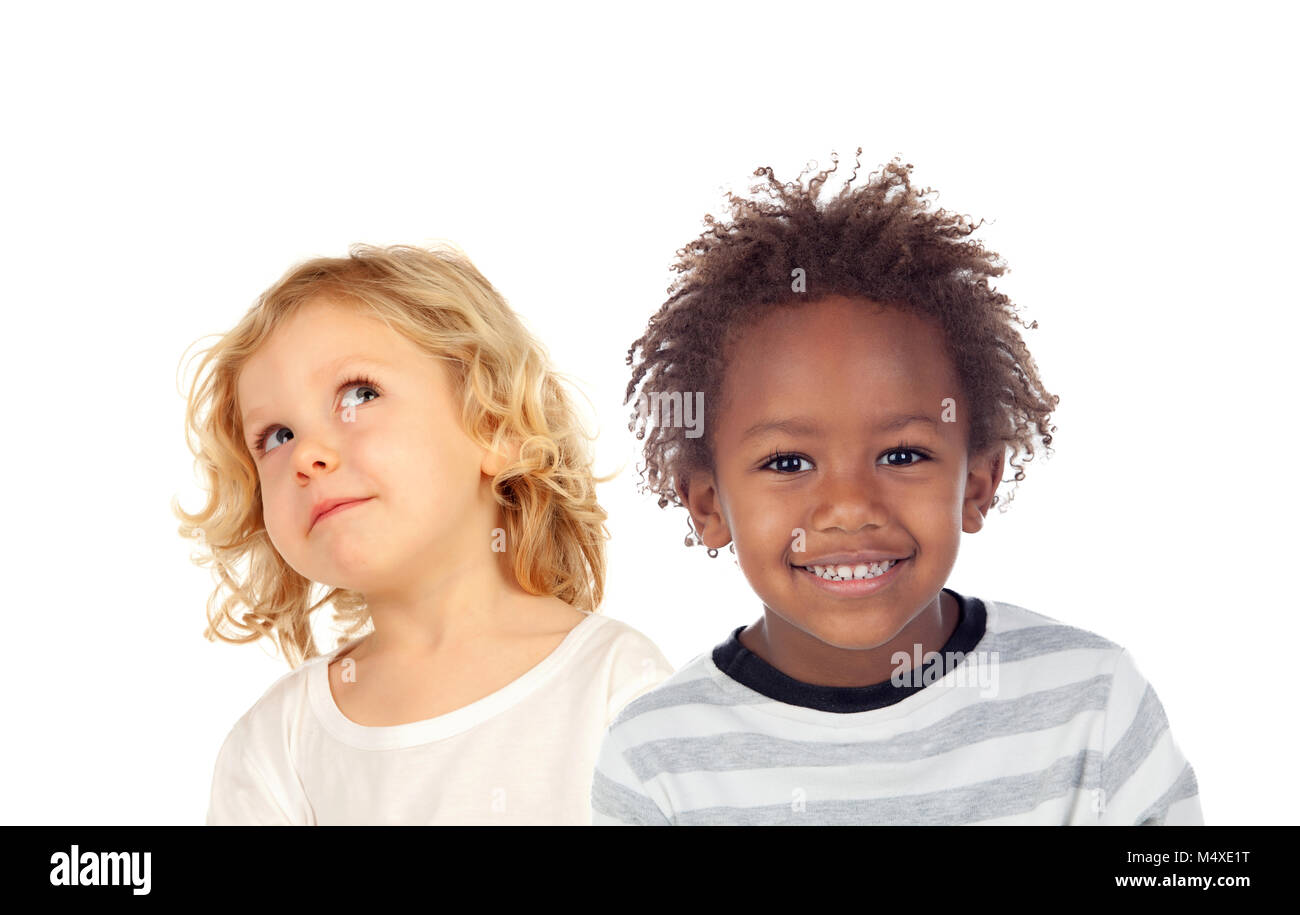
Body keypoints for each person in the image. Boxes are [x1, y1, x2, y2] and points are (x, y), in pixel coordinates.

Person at [592, 152, 1202, 825]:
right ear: (707, 503)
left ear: (977, 482)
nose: (851, 507)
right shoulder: (658, 759)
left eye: (903, 453)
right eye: (789, 462)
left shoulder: (1093, 706)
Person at [176, 243, 673, 824]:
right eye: (277, 436)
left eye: (360, 394)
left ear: (494, 428)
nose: (307, 454)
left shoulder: (615, 683)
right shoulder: (277, 745)